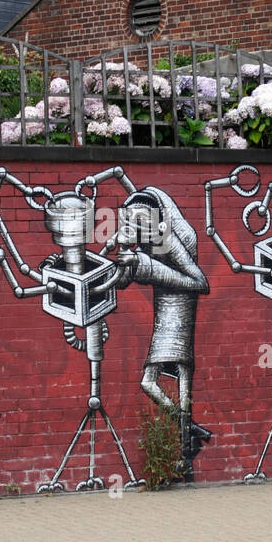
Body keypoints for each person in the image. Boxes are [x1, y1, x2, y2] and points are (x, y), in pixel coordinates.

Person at [113, 187, 213, 481]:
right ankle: (192, 432)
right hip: (163, 322)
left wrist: (146, 267)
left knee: (182, 392)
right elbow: (123, 282)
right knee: (149, 383)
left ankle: (186, 458)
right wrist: (124, 262)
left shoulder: (168, 242)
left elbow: (200, 282)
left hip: (180, 321)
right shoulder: (146, 244)